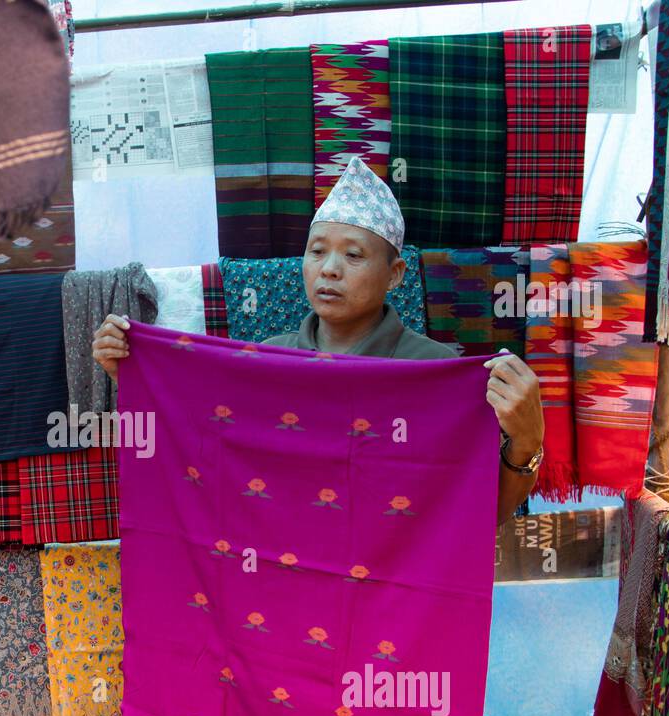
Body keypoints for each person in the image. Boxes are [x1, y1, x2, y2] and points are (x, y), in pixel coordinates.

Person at [92, 156, 545, 524]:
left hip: (391, 605)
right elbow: (202, 456)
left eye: (353, 254)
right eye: (316, 250)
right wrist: (138, 377)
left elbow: (481, 515)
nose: (329, 268)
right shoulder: (267, 360)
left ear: (395, 275)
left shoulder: (436, 374)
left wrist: (526, 440)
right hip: (284, 588)